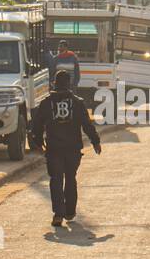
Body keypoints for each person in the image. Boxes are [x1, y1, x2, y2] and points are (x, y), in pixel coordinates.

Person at [29, 69, 102, 227]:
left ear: (54, 83)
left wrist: (38, 143)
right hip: (73, 149)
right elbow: (87, 125)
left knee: (56, 180)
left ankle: (58, 215)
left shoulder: (46, 102)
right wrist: (95, 141)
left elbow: (36, 127)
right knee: (70, 178)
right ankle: (70, 211)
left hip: (54, 148)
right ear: (69, 84)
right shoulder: (77, 102)